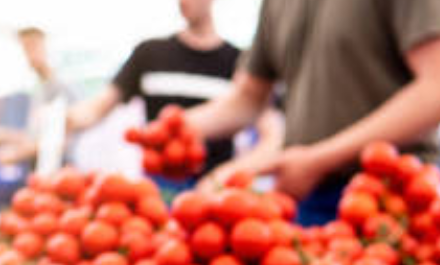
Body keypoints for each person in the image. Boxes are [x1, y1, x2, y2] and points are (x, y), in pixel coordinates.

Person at [184, 0, 440, 224]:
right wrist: (178, 129)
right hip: (306, 199)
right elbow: (248, 97)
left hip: (394, 201)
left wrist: (319, 159)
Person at [65, 0, 283, 189]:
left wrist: (230, 174)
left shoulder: (239, 63)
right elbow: (99, 105)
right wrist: (67, 118)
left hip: (213, 185)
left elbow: (271, 131)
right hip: (158, 183)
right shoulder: (149, 53)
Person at [0, 27, 75, 167]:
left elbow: (65, 138)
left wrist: (17, 153)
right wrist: (3, 135)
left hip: (61, 171)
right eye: (25, 48)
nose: (29, 55)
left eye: (33, 46)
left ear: (47, 47)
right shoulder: (40, 90)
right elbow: (36, 135)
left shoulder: (61, 87)